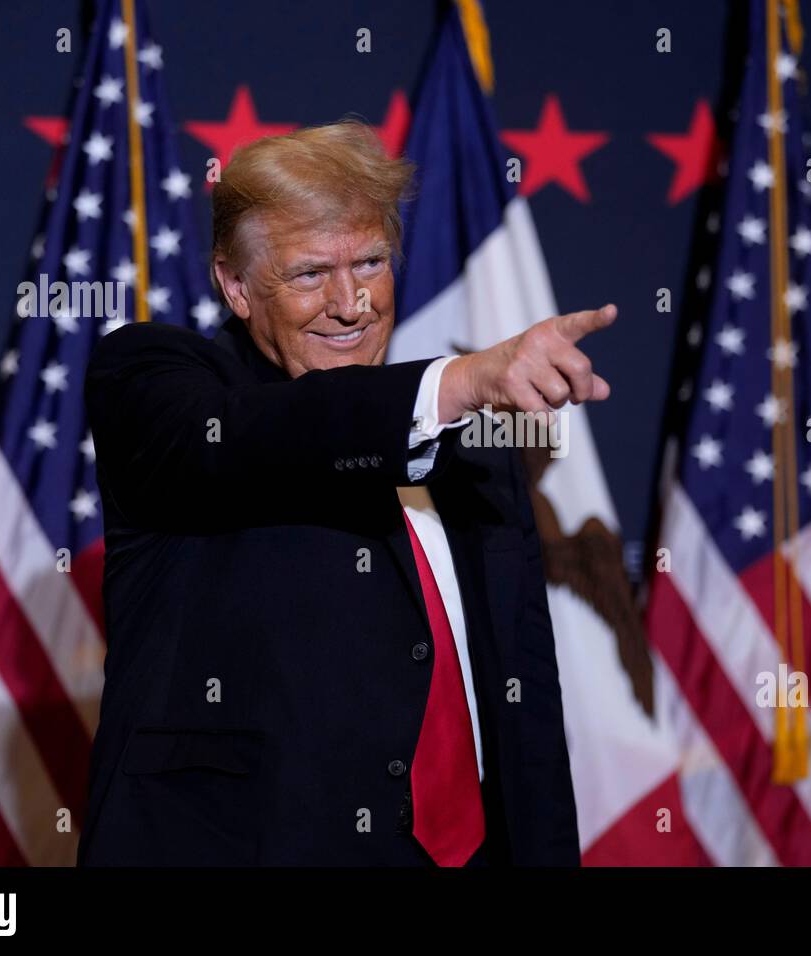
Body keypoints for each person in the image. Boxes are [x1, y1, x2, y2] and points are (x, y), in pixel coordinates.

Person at [77, 119, 616, 866]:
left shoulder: (474, 454)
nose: (351, 302)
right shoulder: (156, 385)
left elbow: (526, 723)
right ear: (235, 285)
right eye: (308, 275)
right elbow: (266, 435)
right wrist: (456, 381)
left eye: (370, 262)